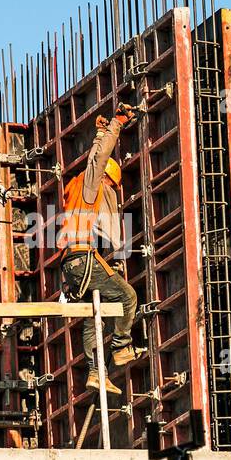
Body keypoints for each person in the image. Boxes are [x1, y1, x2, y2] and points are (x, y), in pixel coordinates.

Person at [57, 106, 146, 395]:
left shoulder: (79, 193)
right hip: (83, 260)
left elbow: (95, 158)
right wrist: (117, 125)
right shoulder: (91, 185)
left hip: (72, 264)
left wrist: (98, 132)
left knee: (94, 317)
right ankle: (121, 347)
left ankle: (96, 372)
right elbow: (99, 159)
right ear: (108, 180)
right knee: (128, 296)